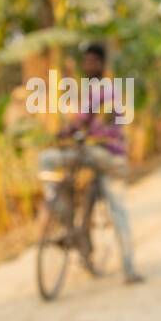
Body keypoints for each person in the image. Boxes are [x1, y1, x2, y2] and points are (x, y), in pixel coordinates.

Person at [38, 42, 144, 284]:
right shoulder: (90, 90)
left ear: (101, 65)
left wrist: (66, 132)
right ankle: (67, 221)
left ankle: (127, 266)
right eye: (85, 61)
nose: (88, 66)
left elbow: (82, 120)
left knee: (118, 212)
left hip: (107, 156)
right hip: (92, 153)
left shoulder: (105, 89)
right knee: (51, 162)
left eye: (92, 62)